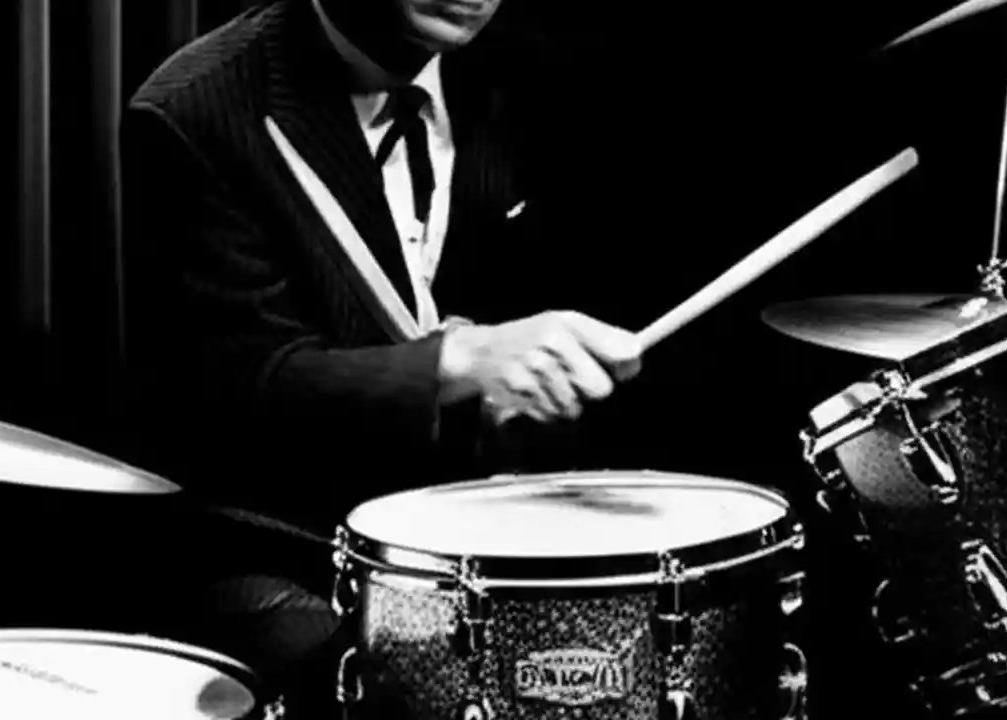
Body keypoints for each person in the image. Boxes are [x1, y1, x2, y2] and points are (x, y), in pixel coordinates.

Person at [118, 0, 643, 712]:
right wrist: (455, 363)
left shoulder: (525, 70)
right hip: (292, 540)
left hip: (481, 521)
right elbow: (242, 385)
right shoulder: (198, 109)